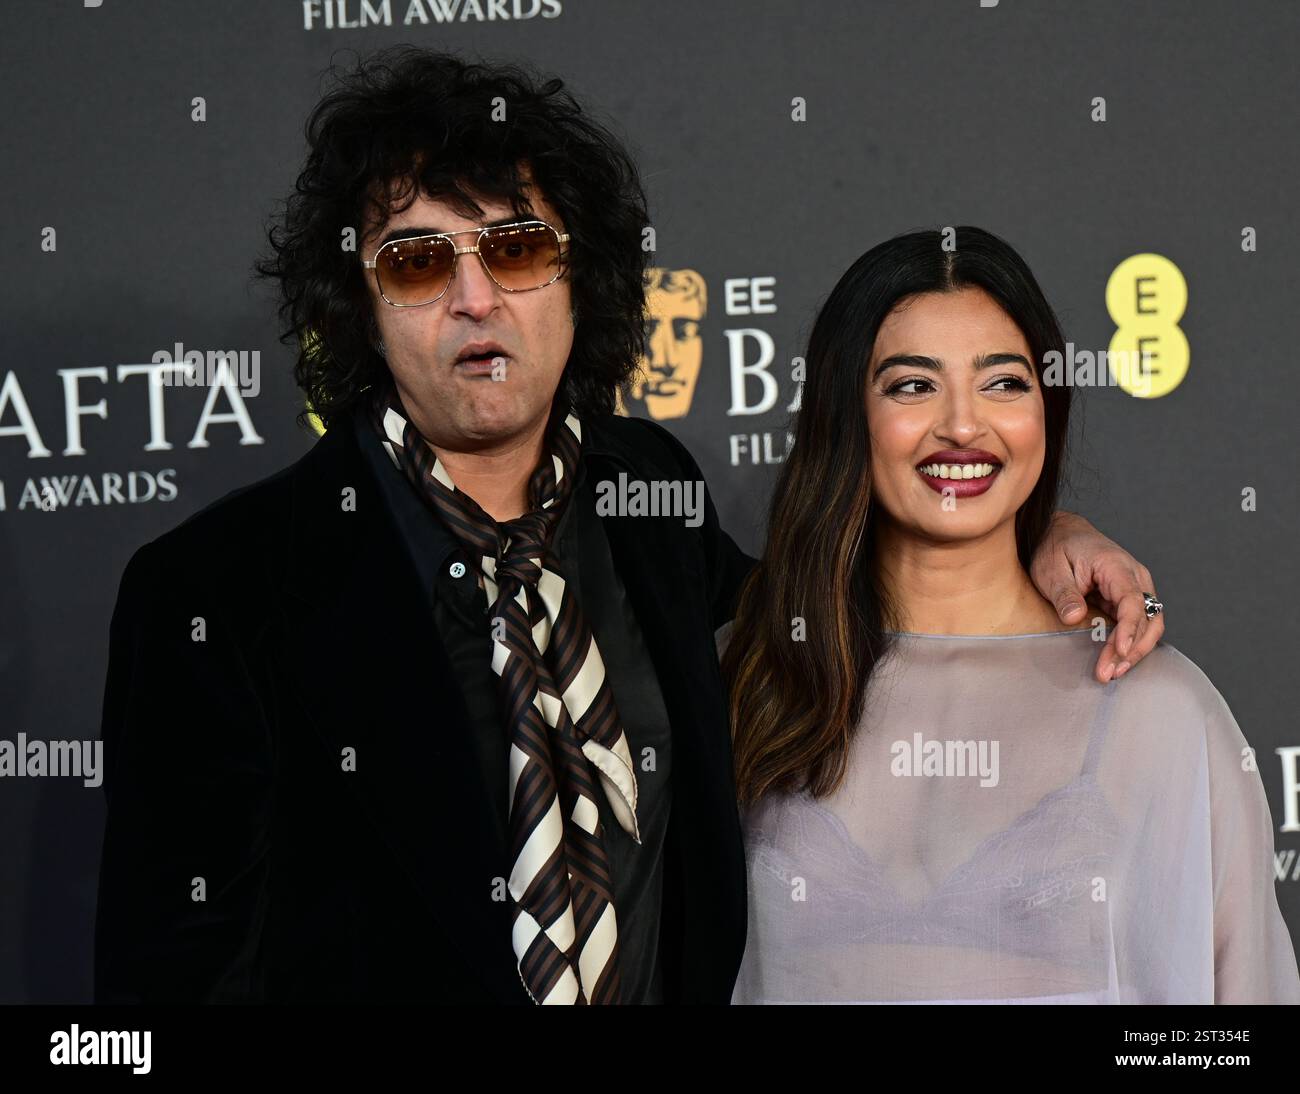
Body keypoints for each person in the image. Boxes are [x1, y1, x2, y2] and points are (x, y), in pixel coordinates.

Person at [93, 49, 1164, 1005]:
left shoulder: (646, 492)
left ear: (579, 275)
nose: (474, 297)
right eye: (418, 262)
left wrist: (1039, 532)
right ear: (358, 305)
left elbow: (837, 600)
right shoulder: (220, 592)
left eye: (514, 248)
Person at [723, 226, 1300, 1004]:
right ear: (844, 416)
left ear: (1046, 410)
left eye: (1003, 383)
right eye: (912, 385)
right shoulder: (755, 676)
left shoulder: (1154, 708)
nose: (964, 424)